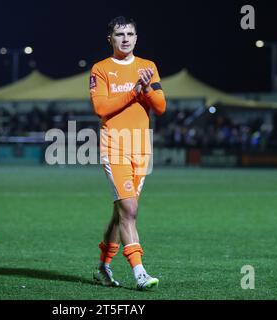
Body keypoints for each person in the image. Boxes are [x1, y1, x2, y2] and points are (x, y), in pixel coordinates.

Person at [90, 16, 166, 290]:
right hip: (115, 146)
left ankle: (102, 266)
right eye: (119, 34)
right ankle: (140, 272)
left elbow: (160, 107)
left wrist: (145, 88)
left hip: (141, 148)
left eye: (130, 34)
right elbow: (101, 108)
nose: (125, 38)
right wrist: (134, 92)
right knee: (130, 209)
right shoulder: (101, 69)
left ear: (136, 37)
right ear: (109, 39)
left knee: (122, 212)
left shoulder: (148, 67)